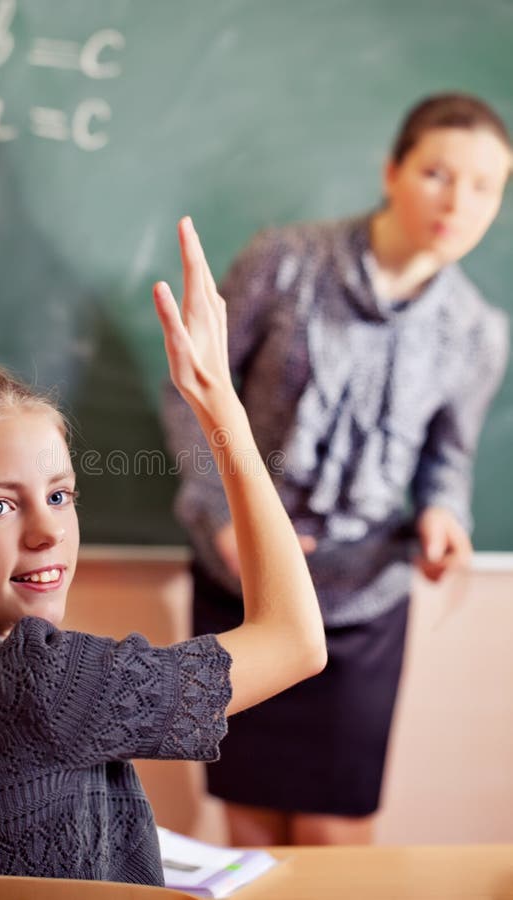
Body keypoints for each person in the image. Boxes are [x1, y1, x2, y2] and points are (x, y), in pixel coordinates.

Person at [0, 218, 325, 882]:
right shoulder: (31, 683)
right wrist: (220, 408)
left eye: (60, 495)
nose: (47, 531)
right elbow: (295, 640)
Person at [162, 93, 511, 847]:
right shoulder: (283, 261)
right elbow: (189, 391)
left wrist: (444, 516)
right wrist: (221, 518)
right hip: (243, 586)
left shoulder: (476, 332)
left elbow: (446, 463)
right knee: (246, 825)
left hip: (361, 610)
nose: (457, 201)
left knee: (334, 838)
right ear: (392, 170)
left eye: (485, 186)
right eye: (436, 173)